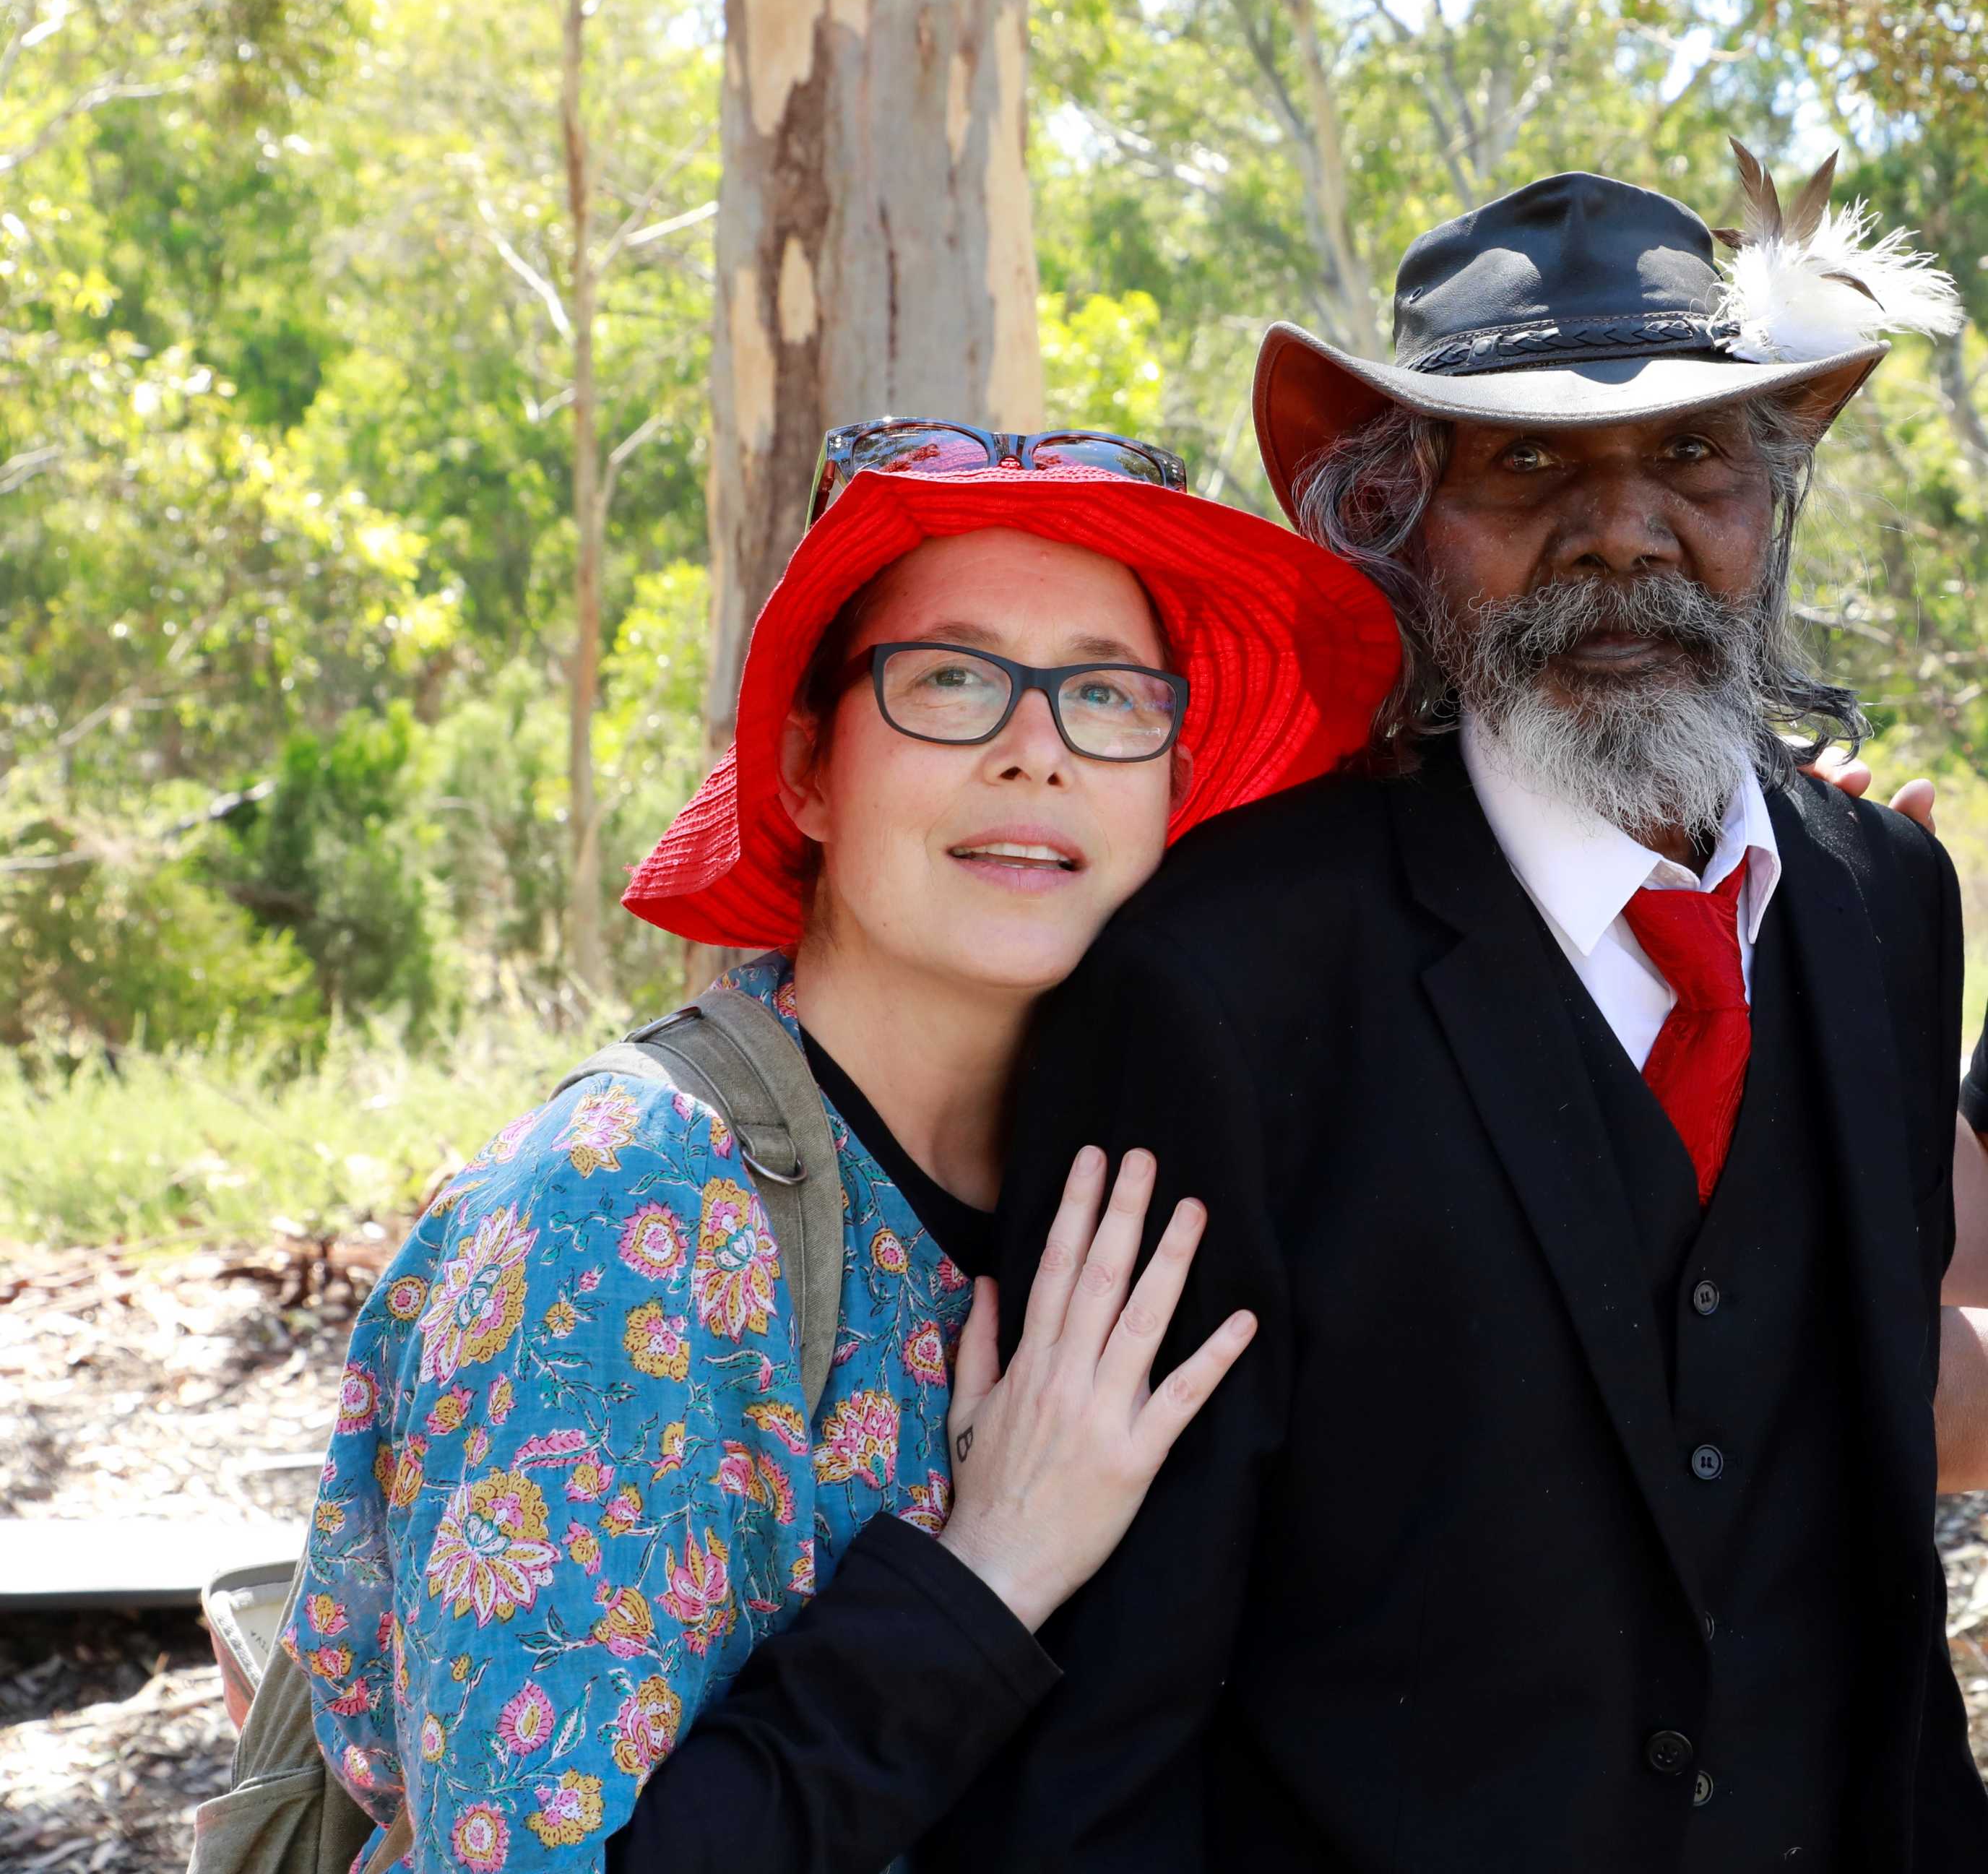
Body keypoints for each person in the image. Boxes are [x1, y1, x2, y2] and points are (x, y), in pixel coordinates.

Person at [929, 159, 1988, 1871]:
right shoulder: (1217, 981)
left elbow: (1861, 1541)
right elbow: (1117, 1694)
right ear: (1398, 518)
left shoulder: (1885, 905)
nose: (1623, 530)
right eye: (1525, 465)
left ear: (1768, 498)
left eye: (1690, 454)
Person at [280, 421, 1400, 1874]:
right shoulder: (628, 1204)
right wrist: (990, 1570)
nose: (1037, 752)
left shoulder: (1140, 1168)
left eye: (1105, 697)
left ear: (1170, 786)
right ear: (807, 766)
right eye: (951, 681)